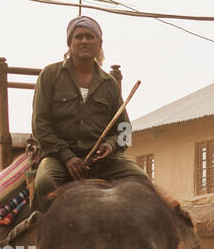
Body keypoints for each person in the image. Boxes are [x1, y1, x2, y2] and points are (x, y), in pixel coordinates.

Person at [31, 16, 151, 208]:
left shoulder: (109, 84)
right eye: (79, 37)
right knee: (45, 183)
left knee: (142, 180)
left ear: (99, 44)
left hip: (102, 163)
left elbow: (125, 130)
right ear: (70, 43)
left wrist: (111, 146)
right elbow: (40, 124)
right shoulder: (50, 75)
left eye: (90, 36)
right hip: (59, 159)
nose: (84, 41)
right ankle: (39, 235)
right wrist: (67, 157)